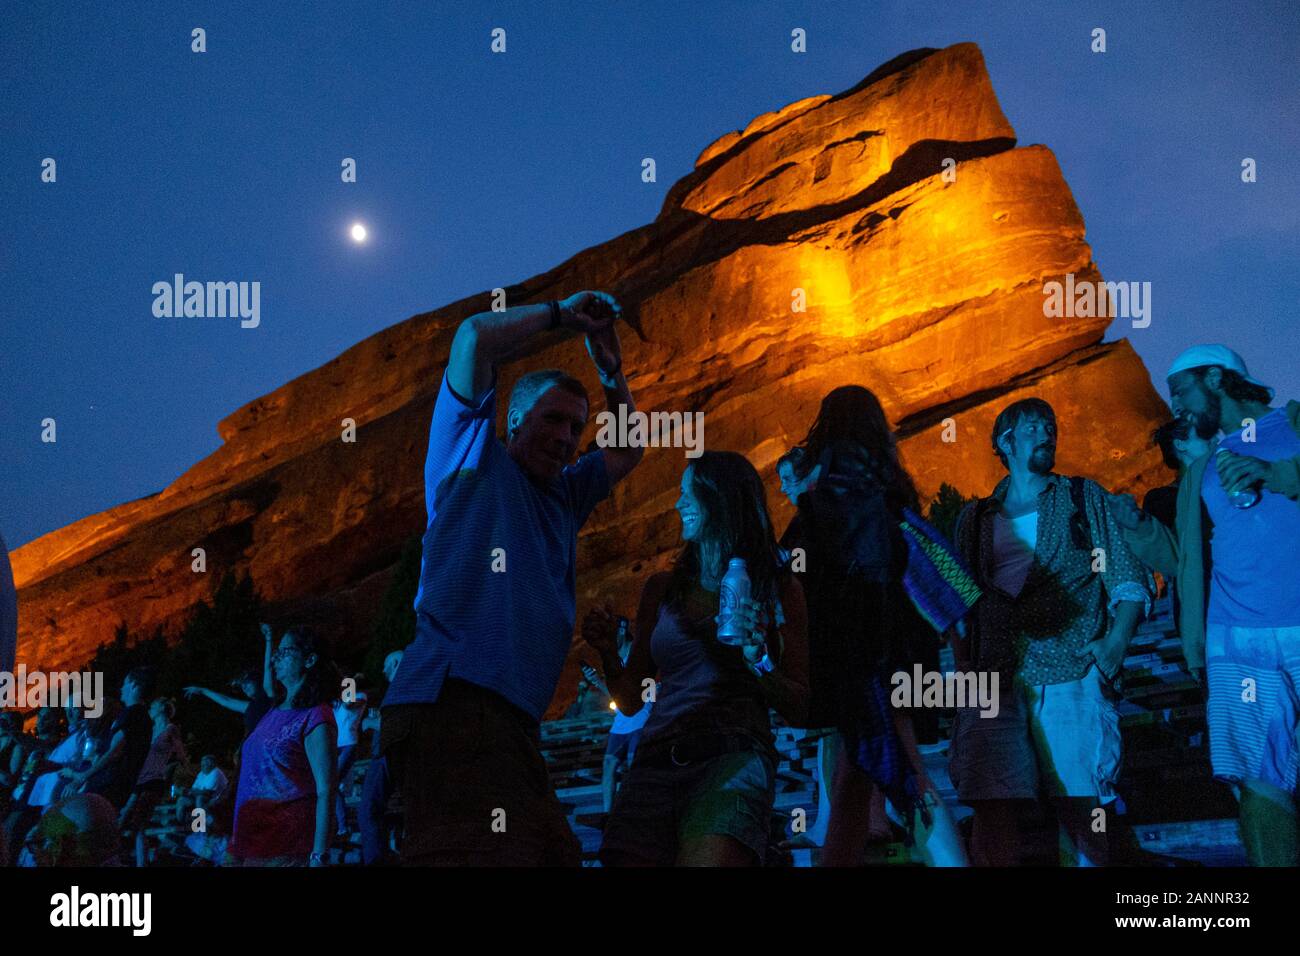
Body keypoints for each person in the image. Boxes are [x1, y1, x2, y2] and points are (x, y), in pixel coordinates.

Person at [380, 291, 644, 866]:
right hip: (453, 702)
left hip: (509, 719)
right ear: (515, 418)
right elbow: (473, 337)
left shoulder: (565, 496)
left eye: (577, 427)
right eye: (553, 419)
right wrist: (563, 316)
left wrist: (609, 368)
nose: (566, 437)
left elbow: (627, 448)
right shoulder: (470, 454)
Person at [1112, 345, 1300, 866]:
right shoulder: (1204, 469)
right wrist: (1138, 529)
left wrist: (1278, 474)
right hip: (1236, 644)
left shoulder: (1294, 422)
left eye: (1181, 392)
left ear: (1216, 378)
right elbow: (1184, 562)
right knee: (1259, 783)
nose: (1175, 407)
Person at [949, 397, 1151, 866]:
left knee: (1081, 810)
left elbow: (1127, 576)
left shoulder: (1083, 498)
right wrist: (962, 661)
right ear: (1006, 441)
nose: (1047, 433)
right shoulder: (974, 519)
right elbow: (956, 599)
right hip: (996, 680)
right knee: (992, 811)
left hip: (1072, 671)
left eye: (1051, 426)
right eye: (1035, 426)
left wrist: (1115, 644)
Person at [590, 451, 810, 866]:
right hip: (655, 762)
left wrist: (759, 660)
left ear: (721, 500)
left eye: (688, 493)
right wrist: (606, 653)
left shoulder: (778, 588)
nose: (678, 504)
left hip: (731, 757)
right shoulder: (662, 589)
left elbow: (800, 706)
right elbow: (633, 698)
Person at [780, 387, 966, 866]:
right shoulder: (889, 493)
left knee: (907, 778)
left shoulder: (829, 496)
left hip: (859, 663)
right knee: (856, 781)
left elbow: (807, 581)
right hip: (894, 656)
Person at [230, 627, 339, 866]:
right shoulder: (272, 712)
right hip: (254, 843)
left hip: (287, 846)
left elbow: (326, 789)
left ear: (309, 660)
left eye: (284, 652)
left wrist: (319, 855)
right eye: (275, 653)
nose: (274, 659)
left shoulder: (316, 716)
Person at [71, 668, 155, 810]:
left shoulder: (131, 714)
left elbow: (115, 751)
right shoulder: (144, 718)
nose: (121, 688)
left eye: (125, 683)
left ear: (135, 685)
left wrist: (84, 775)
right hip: (122, 785)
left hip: (108, 783)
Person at [120, 697, 187, 864]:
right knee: (132, 822)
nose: (150, 708)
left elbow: (181, 756)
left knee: (135, 822)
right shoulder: (151, 729)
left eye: (153, 705)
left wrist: (168, 768)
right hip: (140, 779)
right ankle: (140, 860)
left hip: (154, 780)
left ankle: (124, 856)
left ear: (161, 708)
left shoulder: (170, 729)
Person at [183, 623, 278, 738]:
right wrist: (203, 690)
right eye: (242, 685)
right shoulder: (248, 706)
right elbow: (225, 701)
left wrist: (269, 638)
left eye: (247, 682)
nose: (244, 687)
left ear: (256, 680)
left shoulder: (268, 695)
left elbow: (268, 667)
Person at [359, 650, 402, 865]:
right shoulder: (404, 688)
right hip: (387, 754)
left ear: (395, 664)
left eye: (386, 665)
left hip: (385, 755)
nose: (382, 670)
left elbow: (396, 726)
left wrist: (369, 723)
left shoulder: (400, 688)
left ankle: (375, 859)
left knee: (368, 809)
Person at [332, 676, 367, 838]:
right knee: (334, 785)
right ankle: (341, 825)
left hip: (349, 743)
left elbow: (348, 704)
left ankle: (342, 826)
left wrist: (350, 682)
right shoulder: (339, 702)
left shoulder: (360, 697)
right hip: (336, 745)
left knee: (333, 783)